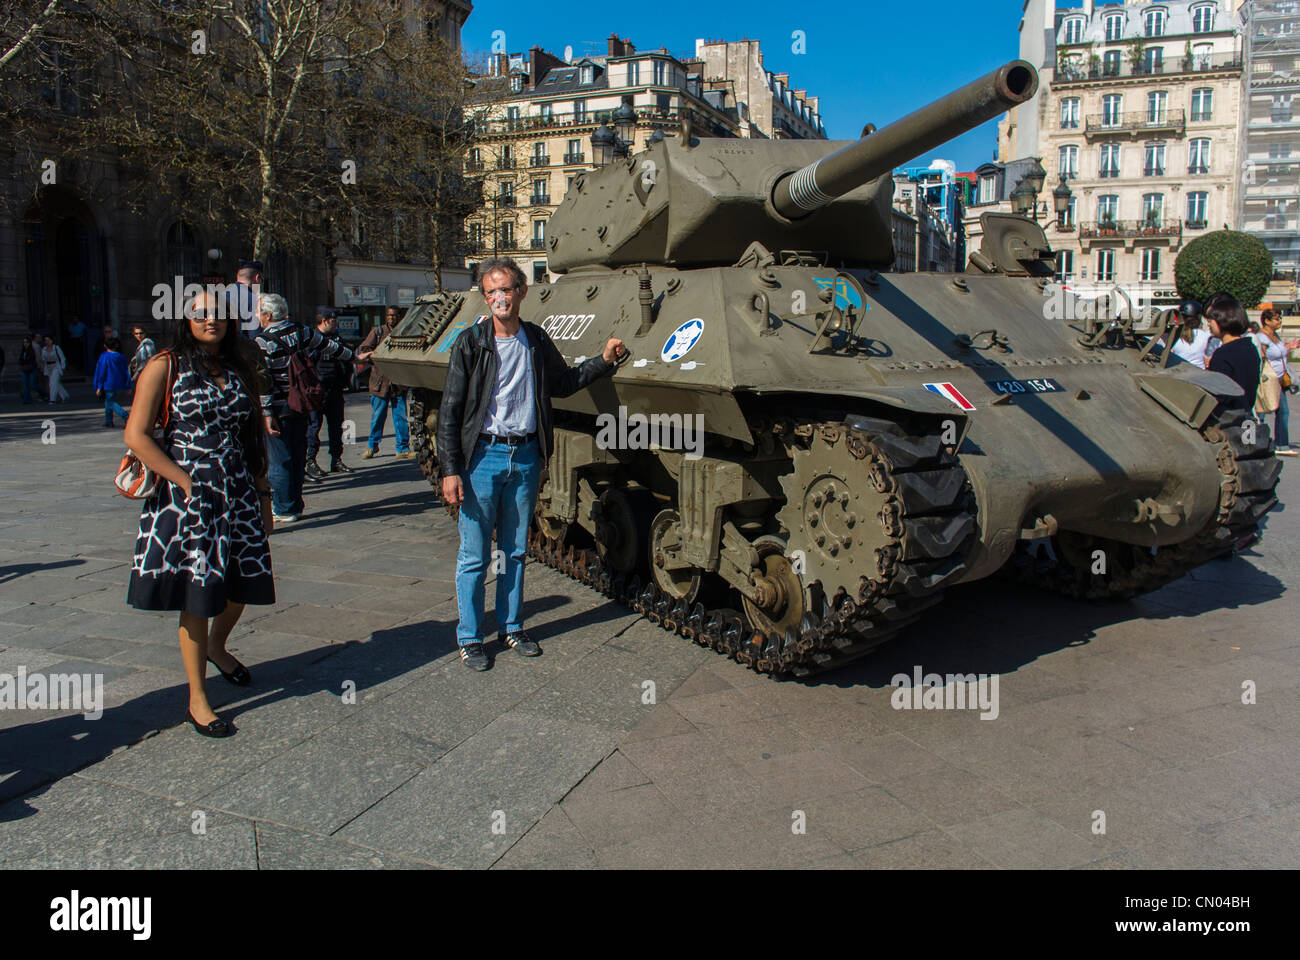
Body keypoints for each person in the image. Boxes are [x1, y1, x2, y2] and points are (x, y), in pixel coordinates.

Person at [438, 257, 627, 671]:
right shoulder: (471, 343)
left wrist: (604, 361)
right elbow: (451, 410)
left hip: (524, 456)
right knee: (474, 555)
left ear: (522, 292)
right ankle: (470, 637)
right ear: (485, 297)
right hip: (482, 458)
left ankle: (510, 627)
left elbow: (564, 383)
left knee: (515, 550)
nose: (499, 298)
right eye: (491, 292)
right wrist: (450, 468)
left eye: (506, 289)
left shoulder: (536, 340)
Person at [124, 291, 274, 738]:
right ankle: (197, 698)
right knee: (199, 595)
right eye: (200, 314)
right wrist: (185, 481)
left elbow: (253, 436)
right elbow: (136, 435)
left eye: (219, 314)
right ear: (185, 319)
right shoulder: (164, 365)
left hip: (239, 492)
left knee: (243, 584)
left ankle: (216, 647)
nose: (211, 320)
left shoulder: (237, 366)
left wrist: (263, 494)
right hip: (188, 497)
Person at [253, 292, 355, 523]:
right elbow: (332, 348)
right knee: (298, 456)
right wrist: (356, 357)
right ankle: (296, 504)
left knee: (279, 459)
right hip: (301, 404)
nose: (257, 317)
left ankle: (284, 508)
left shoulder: (263, 341)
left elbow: (263, 380)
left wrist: (266, 412)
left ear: (268, 315)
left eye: (259, 313)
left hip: (278, 407)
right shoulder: (302, 331)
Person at [355, 307, 414, 461]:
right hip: (380, 381)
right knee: (378, 416)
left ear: (399, 317)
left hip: (398, 383)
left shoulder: (404, 331)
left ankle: (402, 448)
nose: (391, 318)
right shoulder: (377, 332)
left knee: (400, 417)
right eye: (389, 315)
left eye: (394, 316)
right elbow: (364, 350)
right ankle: (372, 446)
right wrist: (377, 353)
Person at [306, 306, 353, 479]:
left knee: (336, 426)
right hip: (317, 390)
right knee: (313, 428)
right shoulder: (310, 339)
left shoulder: (336, 338)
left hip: (335, 389)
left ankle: (336, 459)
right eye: (333, 321)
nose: (336, 324)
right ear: (324, 321)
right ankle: (310, 461)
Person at [1205, 293, 1261, 412]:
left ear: (1222, 320)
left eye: (1211, 320)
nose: (1208, 324)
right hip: (1245, 413)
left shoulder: (1223, 354)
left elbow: (1219, 395)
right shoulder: (1249, 347)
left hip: (1228, 419)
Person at [1255, 308, 1295, 455]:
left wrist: (1289, 348)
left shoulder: (1275, 336)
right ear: (1267, 321)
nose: (1280, 321)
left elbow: (1279, 353)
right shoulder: (1261, 337)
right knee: (1261, 412)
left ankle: (1282, 444)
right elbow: (1261, 356)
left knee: (1283, 411)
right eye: (1277, 319)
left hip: (1280, 379)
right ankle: (1257, 443)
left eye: (1280, 318)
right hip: (1267, 380)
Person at [93, 336, 132, 427]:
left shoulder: (104, 356)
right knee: (108, 400)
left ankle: (125, 416)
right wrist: (128, 385)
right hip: (118, 382)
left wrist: (99, 386)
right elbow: (125, 371)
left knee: (110, 401)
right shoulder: (121, 357)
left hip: (108, 382)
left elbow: (101, 371)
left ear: (105, 346)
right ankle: (109, 421)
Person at [226, 259, 263, 336]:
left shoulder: (221, 295)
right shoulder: (254, 300)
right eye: (262, 280)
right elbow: (255, 334)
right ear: (257, 278)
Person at [40, 335, 69, 403]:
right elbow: (43, 359)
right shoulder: (43, 349)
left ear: (51, 341)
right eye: (45, 340)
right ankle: (65, 396)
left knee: (52, 383)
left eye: (48, 340)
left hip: (56, 366)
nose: (46, 342)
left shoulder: (56, 348)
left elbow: (62, 358)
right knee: (56, 383)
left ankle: (52, 399)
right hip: (48, 367)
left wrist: (63, 367)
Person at [18, 336, 39, 403]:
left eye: (27, 342)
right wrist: (23, 364)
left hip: (32, 369)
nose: (25, 344)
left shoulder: (32, 350)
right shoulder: (23, 351)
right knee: (25, 385)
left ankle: (43, 394)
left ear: (29, 343)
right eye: (24, 342)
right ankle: (27, 399)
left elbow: (32, 360)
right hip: (25, 369)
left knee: (32, 384)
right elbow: (20, 360)